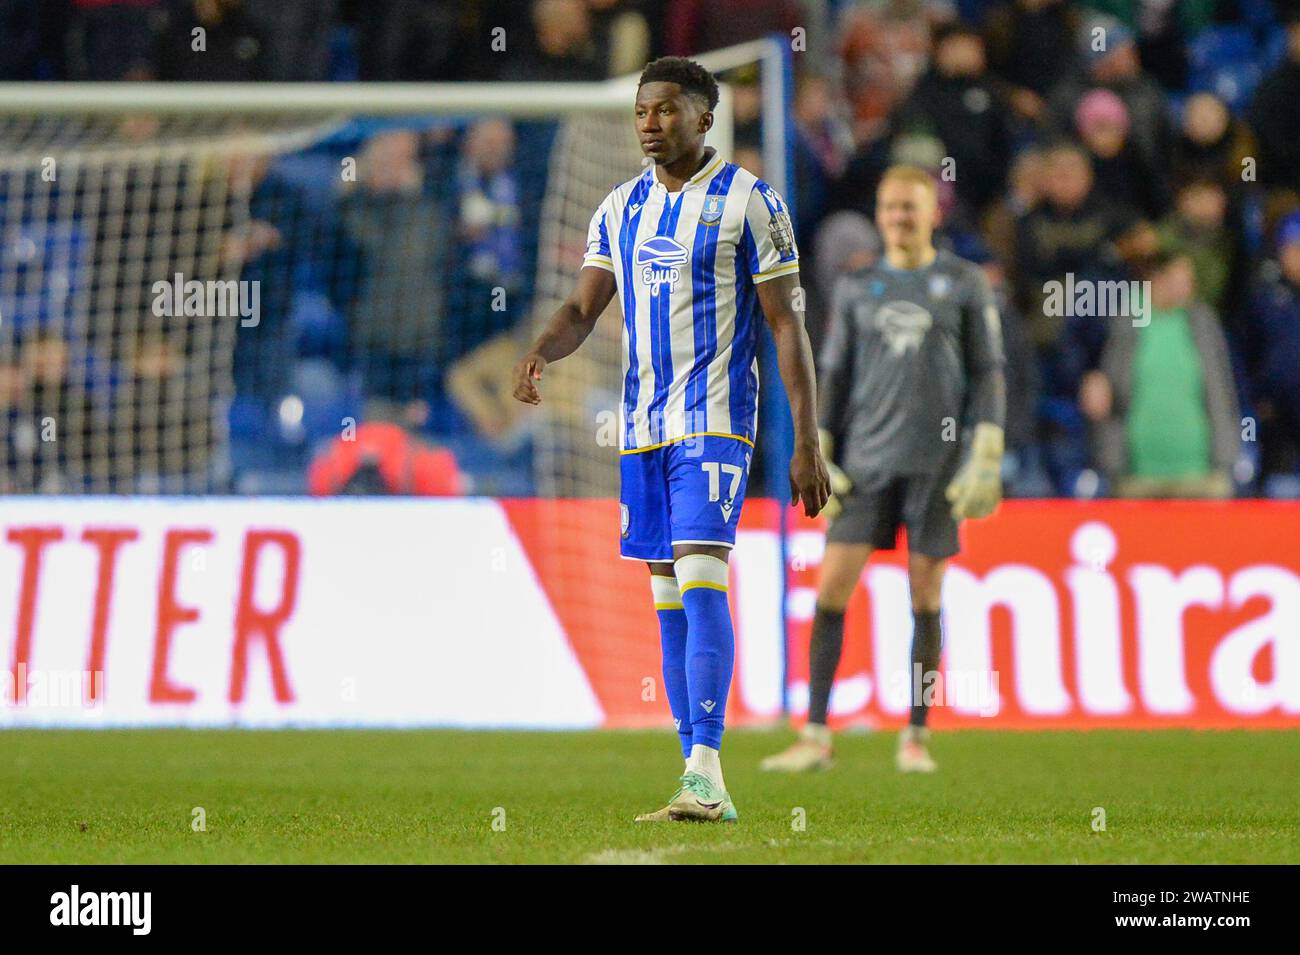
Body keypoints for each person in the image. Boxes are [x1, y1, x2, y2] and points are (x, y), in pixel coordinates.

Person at [511, 56, 830, 823]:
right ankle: (695, 773)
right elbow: (584, 309)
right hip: (642, 430)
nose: (650, 124)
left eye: (665, 110)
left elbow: (787, 324)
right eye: (641, 112)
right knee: (667, 600)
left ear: (704, 117)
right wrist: (540, 351)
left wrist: (806, 440)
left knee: (699, 574)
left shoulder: (752, 203)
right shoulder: (619, 209)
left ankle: (710, 763)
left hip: (716, 422)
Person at [760, 165, 1006, 775]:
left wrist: (987, 446)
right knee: (831, 591)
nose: (900, 216)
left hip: (937, 466)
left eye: (911, 207)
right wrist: (820, 445)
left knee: (926, 596)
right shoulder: (856, 288)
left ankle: (916, 737)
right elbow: (835, 373)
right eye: (891, 207)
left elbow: (989, 371)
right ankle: (815, 735)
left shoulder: (964, 283)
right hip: (866, 463)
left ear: (934, 213)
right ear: (879, 213)